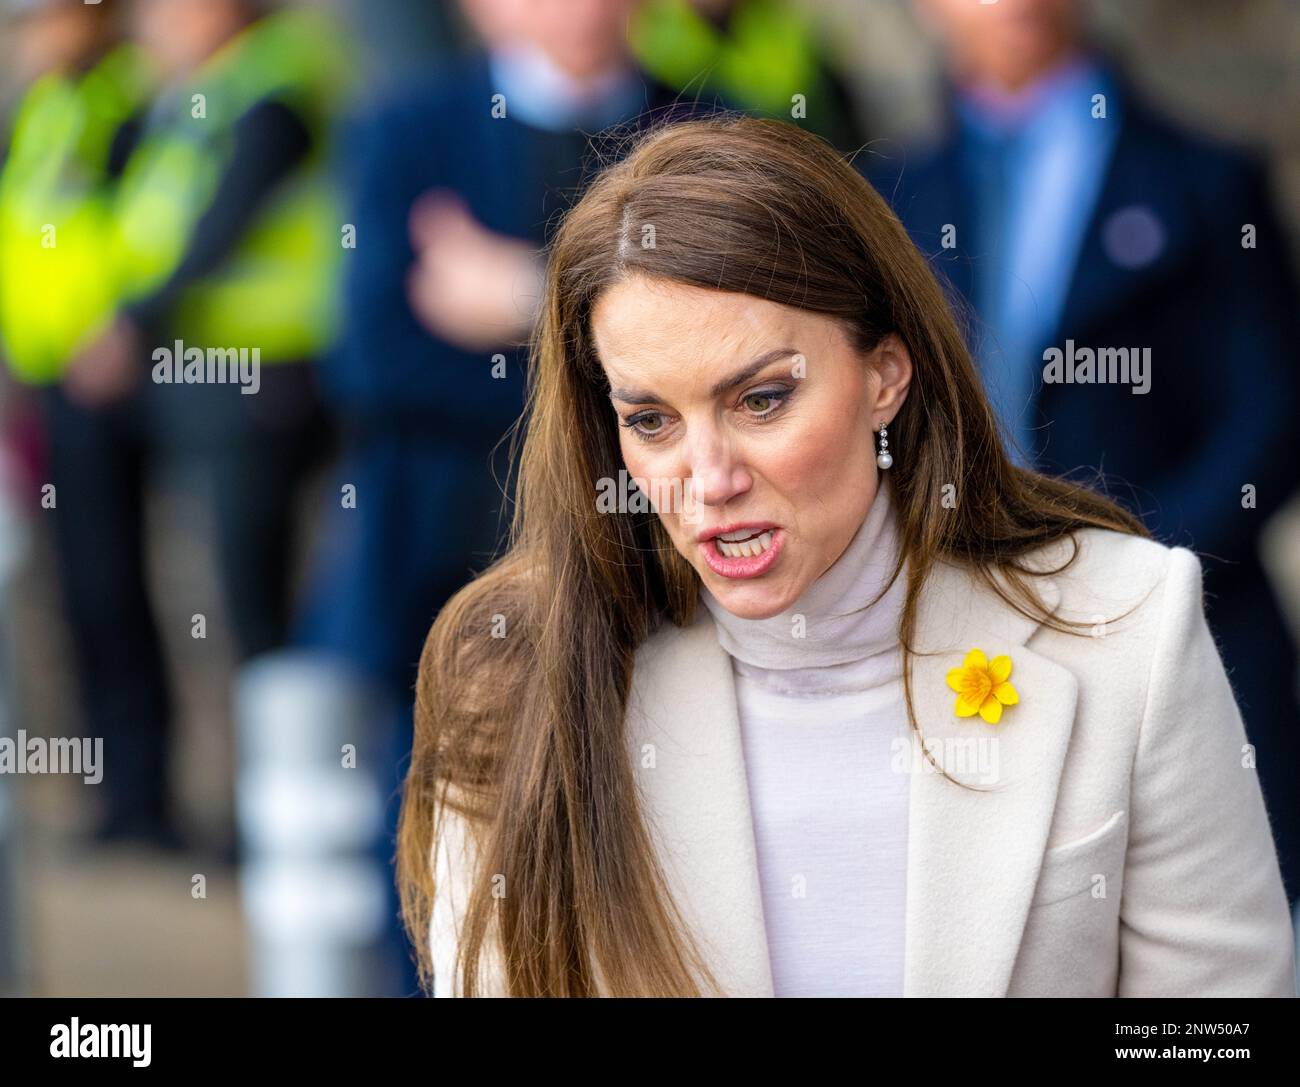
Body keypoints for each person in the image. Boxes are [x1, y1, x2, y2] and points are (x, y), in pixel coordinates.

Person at [395, 115, 1295, 998]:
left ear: (885, 376)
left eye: (760, 400)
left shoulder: (1128, 628)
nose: (707, 479)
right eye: (651, 420)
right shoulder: (516, 676)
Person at [871, 0, 1300, 906]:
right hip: (959, 636)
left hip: (1195, 620)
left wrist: (1134, 572)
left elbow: (1274, 412)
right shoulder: (888, 197)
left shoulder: (1207, 180)